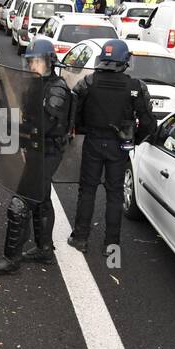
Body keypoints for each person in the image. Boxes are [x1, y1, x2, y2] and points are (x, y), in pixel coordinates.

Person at [0, 37, 73, 275]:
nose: (33, 66)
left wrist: (24, 128)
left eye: (38, 61)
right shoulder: (35, 84)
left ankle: (10, 260)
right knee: (41, 200)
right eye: (31, 61)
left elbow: (46, 125)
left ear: (49, 62)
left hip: (49, 151)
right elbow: (25, 114)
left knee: (19, 204)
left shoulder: (57, 89)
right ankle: (44, 250)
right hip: (35, 149)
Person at [67, 39, 156, 255]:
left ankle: (80, 238)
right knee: (115, 194)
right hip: (119, 145)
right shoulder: (136, 87)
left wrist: (84, 129)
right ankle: (111, 244)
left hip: (93, 142)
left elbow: (74, 116)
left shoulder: (87, 82)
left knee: (87, 190)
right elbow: (148, 123)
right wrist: (135, 139)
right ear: (124, 61)